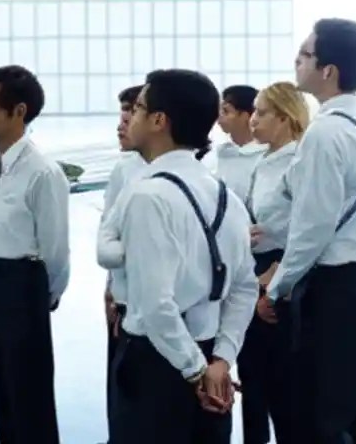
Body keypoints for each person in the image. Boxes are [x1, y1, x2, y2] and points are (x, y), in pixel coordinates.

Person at [261, 19, 356, 444]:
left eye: (304, 55)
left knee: (322, 413)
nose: (296, 63)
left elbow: (313, 228)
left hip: (336, 289)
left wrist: (277, 287)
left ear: (328, 71)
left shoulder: (325, 134)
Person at [108, 69, 258, 444]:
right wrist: (220, 361)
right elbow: (244, 287)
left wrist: (195, 373)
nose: (131, 118)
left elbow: (156, 304)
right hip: (210, 361)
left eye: (139, 108)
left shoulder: (148, 197)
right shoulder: (224, 195)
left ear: (159, 121)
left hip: (158, 367)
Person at [0, 64, 70, 444]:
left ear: (19, 112)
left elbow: (56, 248)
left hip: (25, 285)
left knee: (30, 395)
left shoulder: (42, 173)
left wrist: (45, 295)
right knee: (1, 388)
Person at [236, 82, 310, 444]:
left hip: (281, 274)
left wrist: (276, 274)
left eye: (261, 113)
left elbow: (307, 227)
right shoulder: (264, 161)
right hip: (257, 270)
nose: (253, 120)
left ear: (284, 117)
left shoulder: (298, 163)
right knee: (252, 376)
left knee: (283, 383)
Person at [95, 84, 145, 443]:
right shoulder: (123, 170)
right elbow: (107, 236)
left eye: (131, 112)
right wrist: (112, 287)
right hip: (127, 302)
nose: (122, 123)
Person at [210, 85, 266, 201]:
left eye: (226, 111)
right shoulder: (218, 153)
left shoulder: (264, 156)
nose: (218, 117)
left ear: (246, 116)